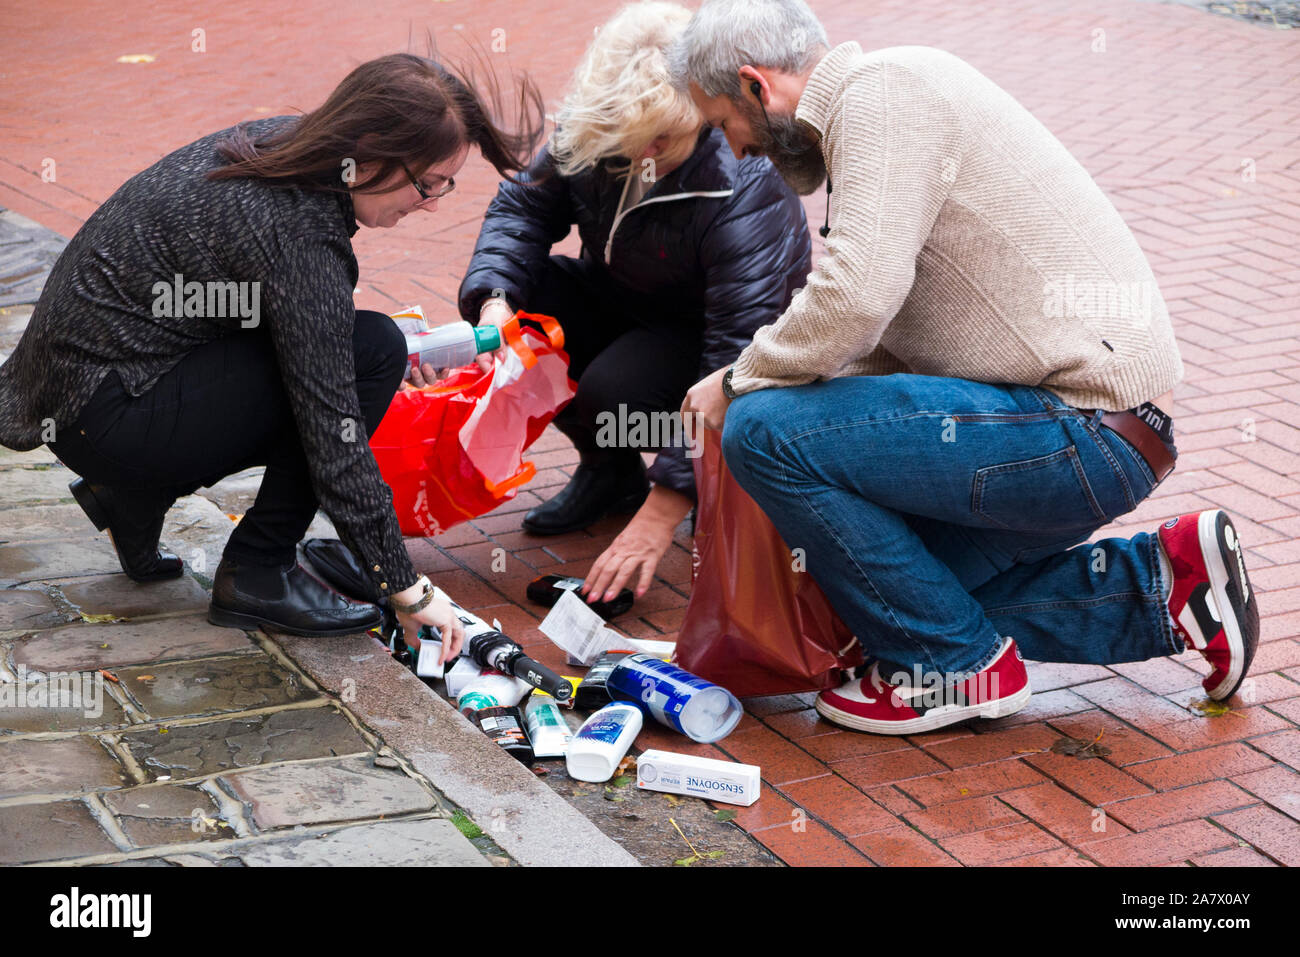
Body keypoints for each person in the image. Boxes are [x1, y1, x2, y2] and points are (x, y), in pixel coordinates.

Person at [673, 0, 1258, 734]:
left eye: (723, 125)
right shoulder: (890, 96)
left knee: (761, 430)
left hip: (1076, 429)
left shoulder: (881, 95)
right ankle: (1166, 584)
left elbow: (856, 295)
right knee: (897, 594)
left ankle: (956, 669)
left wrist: (737, 382)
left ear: (757, 87)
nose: (738, 152)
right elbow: (878, 339)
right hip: (1104, 435)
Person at [0, 53, 544, 662]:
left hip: (84, 390)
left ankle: (132, 497)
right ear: (370, 154)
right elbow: (334, 436)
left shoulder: (288, 143)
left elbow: (276, 311)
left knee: (365, 347)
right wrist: (406, 588)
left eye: (446, 186)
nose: (434, 203)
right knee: (369, 356)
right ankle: (257, 571)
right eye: (428, 184)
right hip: (108, 408)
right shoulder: (300, 232)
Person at [449, 1, 812, 607]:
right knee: (528, 306)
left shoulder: (744, 186)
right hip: (619, 292)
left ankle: (698, 486)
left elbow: (738, 353)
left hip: (700, 333)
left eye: (666, 136)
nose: (648, 152)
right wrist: (493, 302)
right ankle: (608, 471)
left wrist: (666, 505)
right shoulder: (597, 125)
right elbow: (522, 211)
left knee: (611, 392)